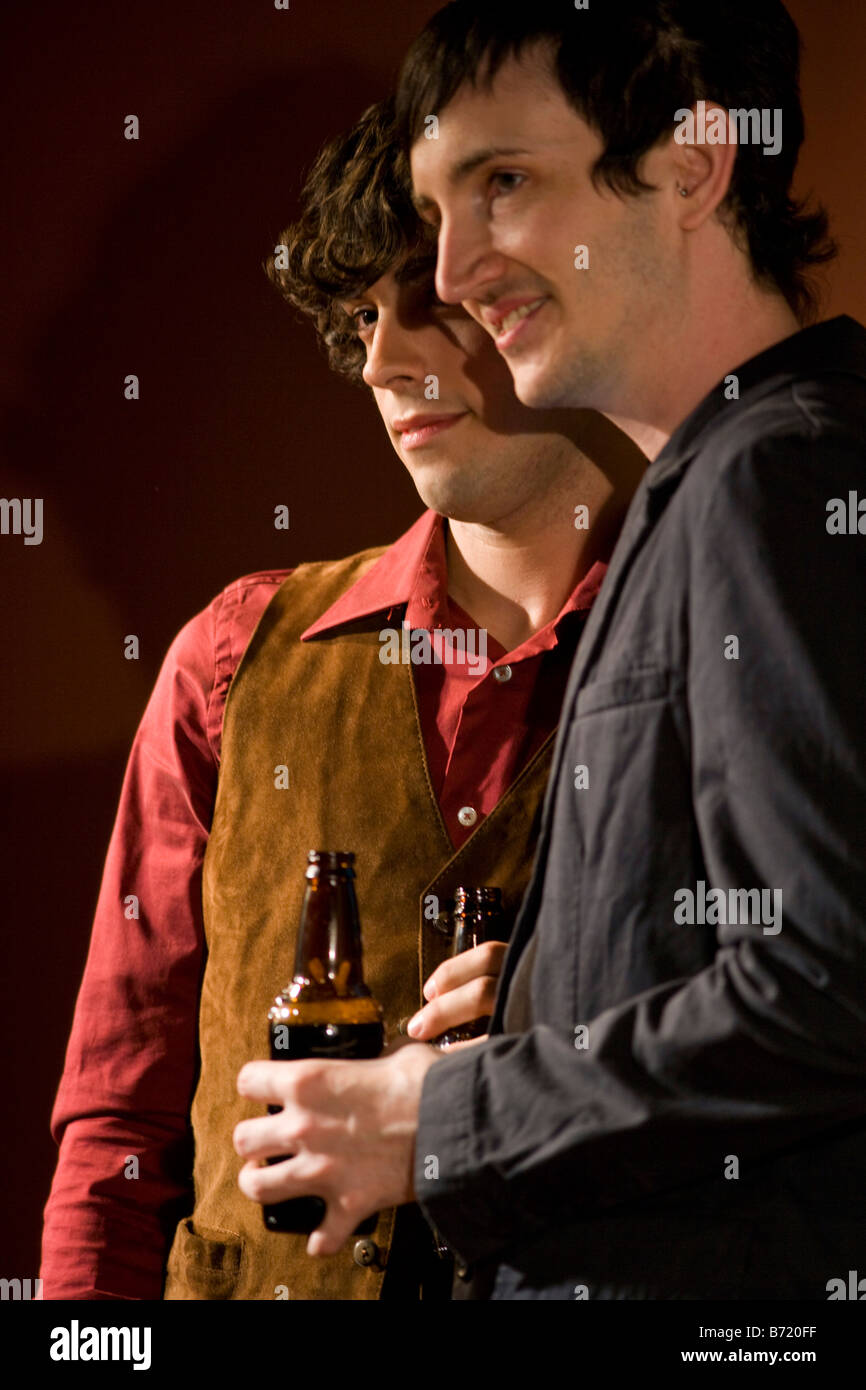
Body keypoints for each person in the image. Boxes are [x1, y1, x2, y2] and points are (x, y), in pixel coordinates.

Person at [234, 1, 866, 1301]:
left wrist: (446, 1116)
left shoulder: (776, 473)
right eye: (438, 204)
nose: (454, 271)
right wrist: (549, 986)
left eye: (502, 183)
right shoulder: (724, 480)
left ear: (693, 162)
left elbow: (830, 979)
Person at [39, 96, 645, 1300]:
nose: (381, 360)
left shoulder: (725, 649)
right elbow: (118, 1121)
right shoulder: (234, 656)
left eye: (430, 299)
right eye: (362, 317)